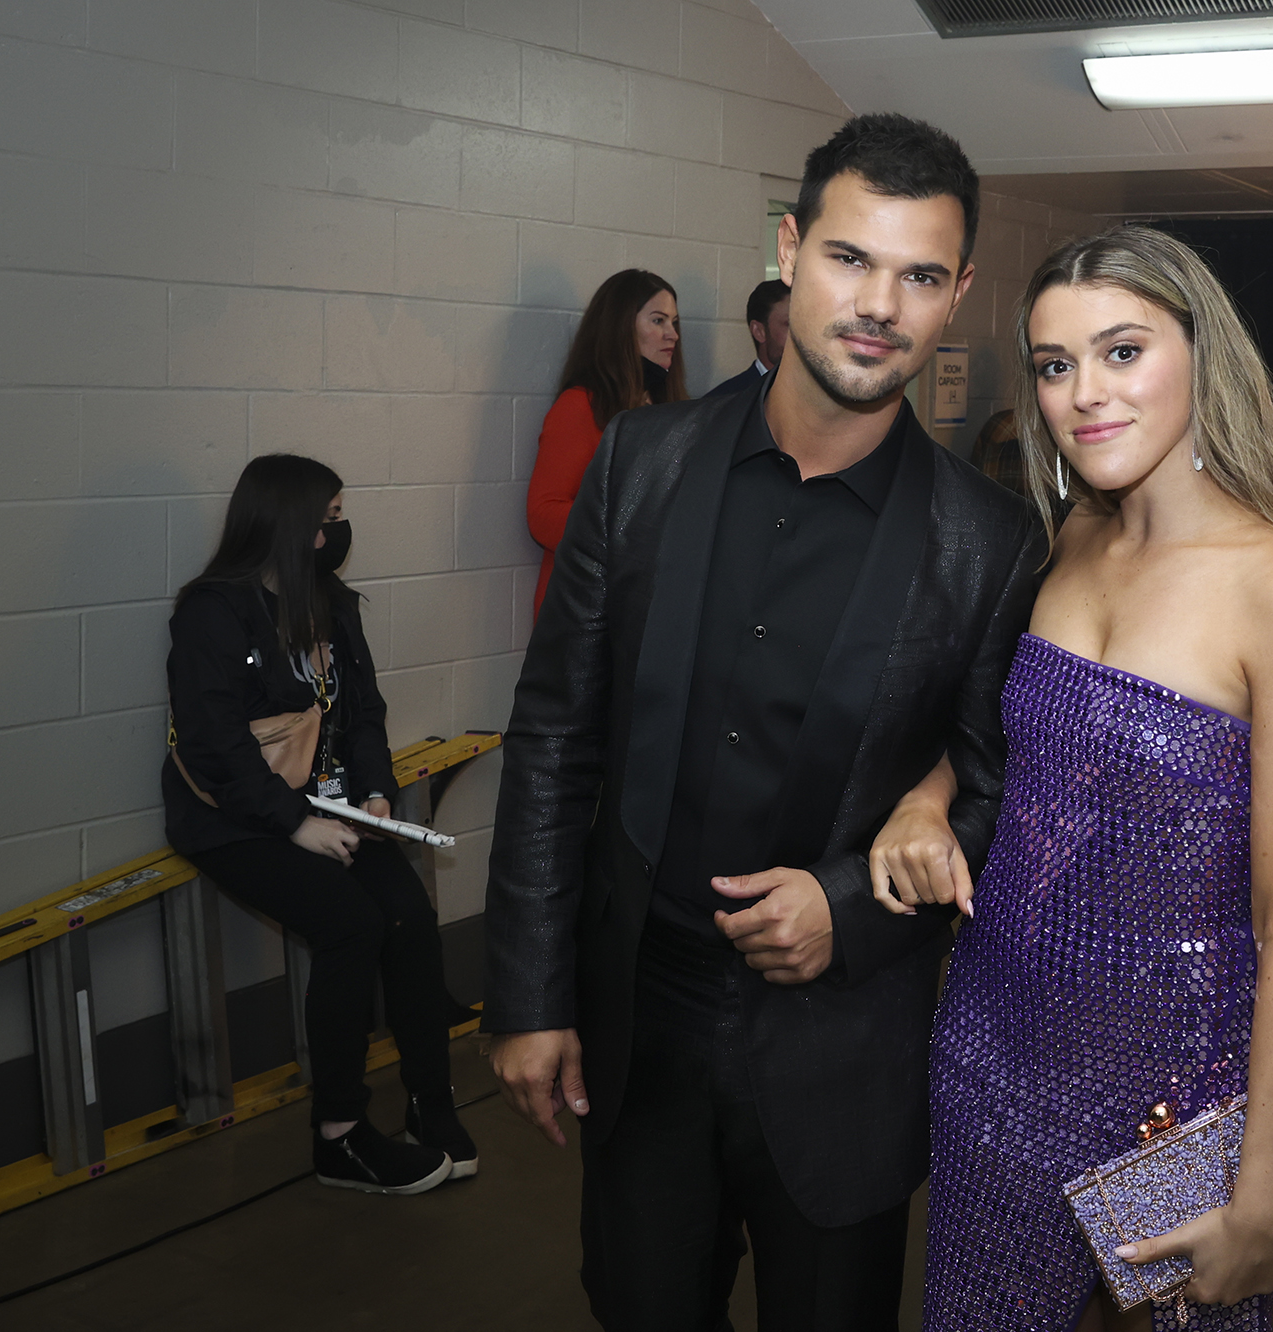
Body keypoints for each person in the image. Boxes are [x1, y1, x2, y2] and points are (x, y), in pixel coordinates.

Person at [481, 113, 1042, 1330]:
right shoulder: (639, 465)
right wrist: (527, 994)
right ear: (790, 250)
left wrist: (845, 907)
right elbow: (552, 741)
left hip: (843, 1050)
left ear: (957, 298)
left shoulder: (986, 546)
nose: (880, 304)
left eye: (921, 275)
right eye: (850, 257)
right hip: (642, 1023)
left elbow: (994, 789)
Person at [869, 225, 1273, 1330]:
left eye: (1121, 351)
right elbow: (1014, 734)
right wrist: (927, 794)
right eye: (1054, 364)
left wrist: (1260, 1200)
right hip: (992, 1047)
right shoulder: (1066, 540)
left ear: (1200, 354)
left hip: (1172, 1088)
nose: (1082, 393)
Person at [164, 454, 475, 1196]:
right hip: (233, 818)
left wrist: (374, 793)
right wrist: (294, 826)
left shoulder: (330, 602)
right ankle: (340, 1136)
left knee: (407, 915)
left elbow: (363, 713)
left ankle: (433, 1101)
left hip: (324, 804)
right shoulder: (213, 610)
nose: (338, 533)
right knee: (350, 925)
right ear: (284, 524)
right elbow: (214, 745)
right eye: (327, 520)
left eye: (340, 518)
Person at [526, 269, 687, 619]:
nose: (672, 334)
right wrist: (630, 525)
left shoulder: (672, 410)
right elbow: (543, 514)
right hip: (584, 609)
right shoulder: (581, 405)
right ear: (621, 327)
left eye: (674, 322)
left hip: (648, 605)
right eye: (658, 321)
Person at [706, 278, 792, 396]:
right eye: (789, 324)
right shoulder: (724, 401)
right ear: (759, 332)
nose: (800, 335)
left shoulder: (819, 396)